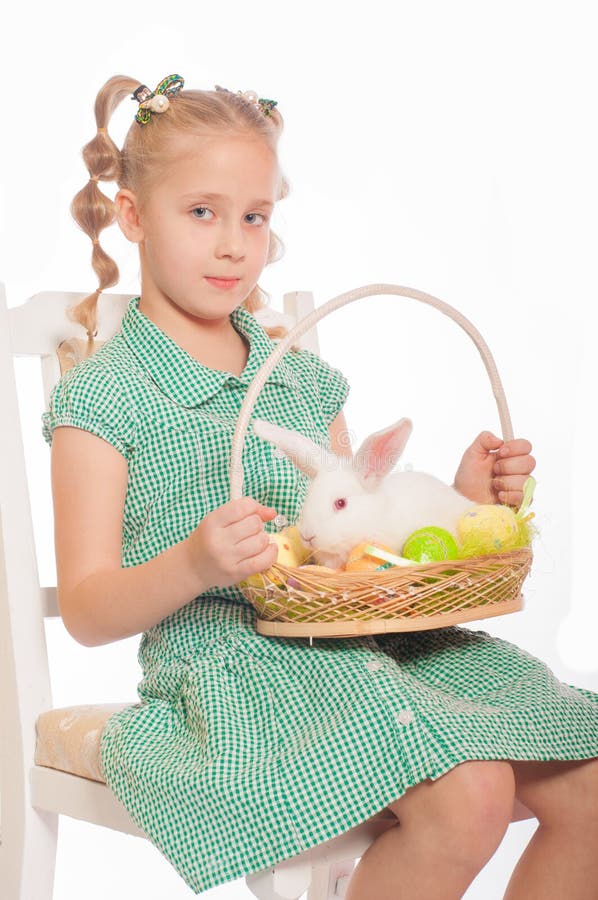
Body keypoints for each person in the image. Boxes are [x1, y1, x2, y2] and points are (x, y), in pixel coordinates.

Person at [41, 73, 598, 899]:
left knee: (588, 780)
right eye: (202, 212)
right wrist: (194, 564)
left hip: (366, 642)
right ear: (131, 217)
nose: (235, 244)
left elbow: (355, 545)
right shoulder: (103, 397)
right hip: (234, 673)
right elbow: (86, 610)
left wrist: (461, 502)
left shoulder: (301, 382)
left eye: (255, 217)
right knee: (470, 793)